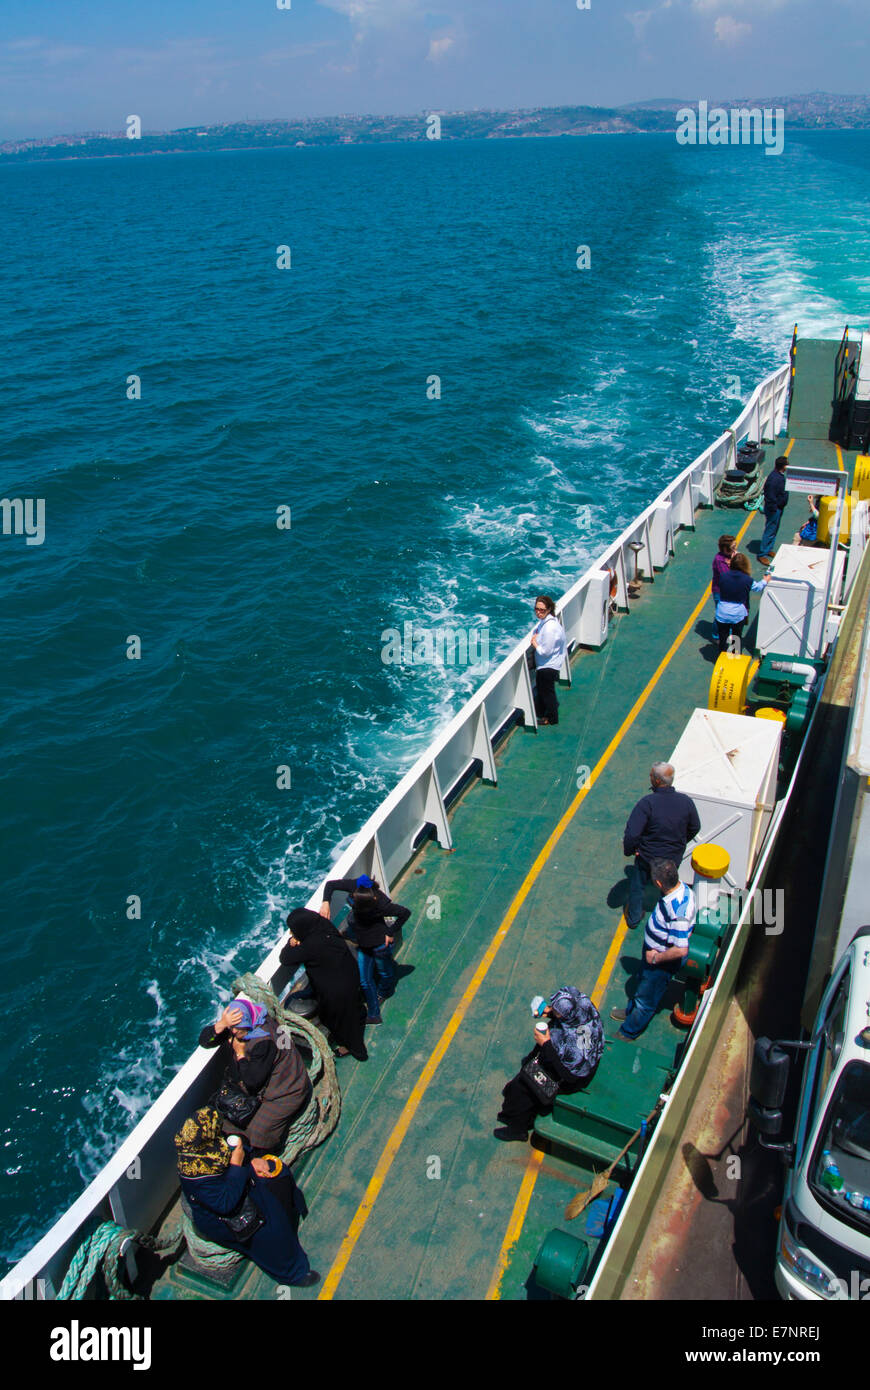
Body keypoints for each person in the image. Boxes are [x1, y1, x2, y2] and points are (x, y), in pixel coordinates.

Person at [175, 1106, 318, 1287]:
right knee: (271, 1230)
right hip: (222, 1218)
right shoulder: (196, 1173)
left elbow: (233, 1156)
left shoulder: (204, 1148)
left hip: (235, 1188)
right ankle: (293, 1273)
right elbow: (225, 1203)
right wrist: (236, 1165)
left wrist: (250, 1159)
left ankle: (291, 1215)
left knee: (278, 1175)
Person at [198, 997, 311, 1155]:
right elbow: (205, 1041)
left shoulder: (263, 1041)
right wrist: (221, 1024)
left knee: (257, 1135)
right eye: (231, 1028)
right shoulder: (246, 1022)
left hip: (287, 1088)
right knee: (224, 1115)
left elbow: (252, 1082)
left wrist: (240, 1054)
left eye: (238, 1029)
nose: (234, 1033)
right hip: (261, 1076)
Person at [495, 986, 604, 1141]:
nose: (554, 1011)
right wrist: (550, 1012)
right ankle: (515, 1099)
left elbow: (568, 1076)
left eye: (556, 1011)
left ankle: (517, 1128)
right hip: (580, 1062)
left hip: (572, 1077)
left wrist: (546, 1045)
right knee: (529, 1066)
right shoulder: (583, 1005)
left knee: (525, 1084)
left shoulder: (576, 1044)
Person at [611, 859, 696, 1039]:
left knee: (646, 1000)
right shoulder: (681, 890)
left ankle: (629, 1031)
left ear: (658, 883)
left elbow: (681, 949)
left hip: (660, 961)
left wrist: (655, 958)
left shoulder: (678, 909)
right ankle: (630, 1011)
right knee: (642, 982)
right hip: (653, 952)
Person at [320, 874, 410, 1025]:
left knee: (385, 973)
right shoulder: (359, 886)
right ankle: (375, 1014)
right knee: (365, 981)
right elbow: (330, 885)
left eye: (354, 902)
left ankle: (384, 992)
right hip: (363, 943)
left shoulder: (382, 906)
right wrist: (325, 902)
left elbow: (405, 913)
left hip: (380, 945)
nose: (351, 900)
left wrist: (390, 931)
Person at [280, 907, 368, 1061]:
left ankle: (357, 1050)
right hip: (350, 973)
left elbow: (285, 958)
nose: (292, 932)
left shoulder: (309, 946)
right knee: (351, 1009)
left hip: (336, 990)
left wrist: (290, 942)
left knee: (341, 1021)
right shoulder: (324, 925)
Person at [623, 763, 700, 929]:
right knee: (668, 889)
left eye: (651, 775)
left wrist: (631, 850)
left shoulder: (647, 803)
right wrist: (680, 843)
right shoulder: (685, 802)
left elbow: (632, 834)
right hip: (672, 858)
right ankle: (665, 919)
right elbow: (695, 827)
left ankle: (634, 918)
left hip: (647, 857)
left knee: (638, 886)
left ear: (657, 781)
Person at [714, 551, 768, 655]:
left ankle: (721, 655)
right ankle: (734, 656)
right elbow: (758, 587)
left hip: (722, 612)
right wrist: (765, 580)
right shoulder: (747, 579)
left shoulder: (723, 576)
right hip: (737, 614)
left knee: (723, 636)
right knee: (736, 637)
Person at [529, 594, 567, 726]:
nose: (539, 613)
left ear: (549, 609)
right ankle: (546, 713)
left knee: (547, 693)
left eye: (542, 610)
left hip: (548, 666)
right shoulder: (548, 622)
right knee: (545, 691)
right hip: (549, 664)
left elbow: (546, 652)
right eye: (537, 609)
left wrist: (534, 643)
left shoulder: (550, 628)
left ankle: (552, 718)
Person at [759, 455, 789, 563]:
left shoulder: (779, 476)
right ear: (783, 466)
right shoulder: (774, 479)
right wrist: (775, 507)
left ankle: (769, 549)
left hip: (778, 508)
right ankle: (762, 553)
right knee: (770, 530)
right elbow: (770, 495)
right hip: (774, 509)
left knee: (774, 529)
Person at [710, 534, 736, 641]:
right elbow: (727, 577)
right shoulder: (719, 560)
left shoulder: (732, 556)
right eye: (733, 547)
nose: (735, 549)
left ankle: (727, 631)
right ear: (725, 548)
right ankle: (717, 634)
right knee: (720, 615)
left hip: (729, 591)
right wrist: (733, 565)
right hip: (720, 592)